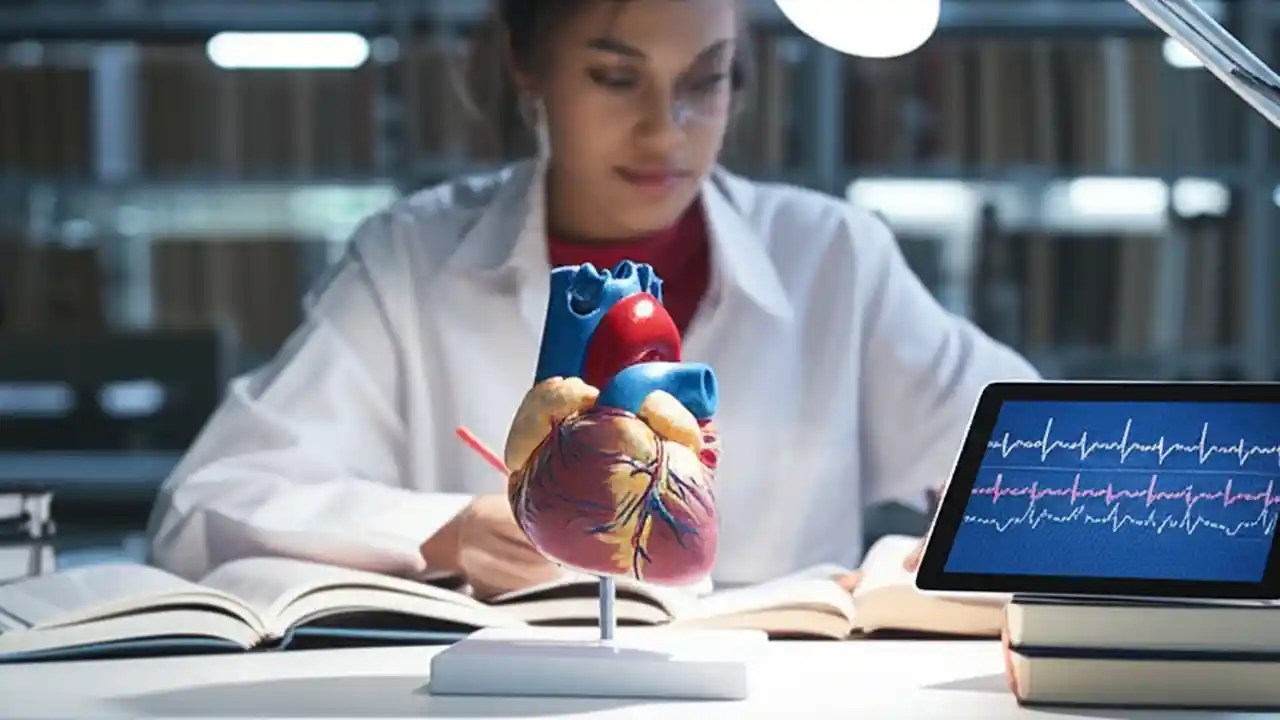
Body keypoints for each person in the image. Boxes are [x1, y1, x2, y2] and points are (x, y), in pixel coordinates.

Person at [144, 0, 1039, 598]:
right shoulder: (411, 262)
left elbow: (1047, 456)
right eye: (616, 77)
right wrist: (447, 532)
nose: (665, 130)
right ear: (526, 64)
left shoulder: (832, 257)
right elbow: (204, 509)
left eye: (707, 80)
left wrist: (966, 541)